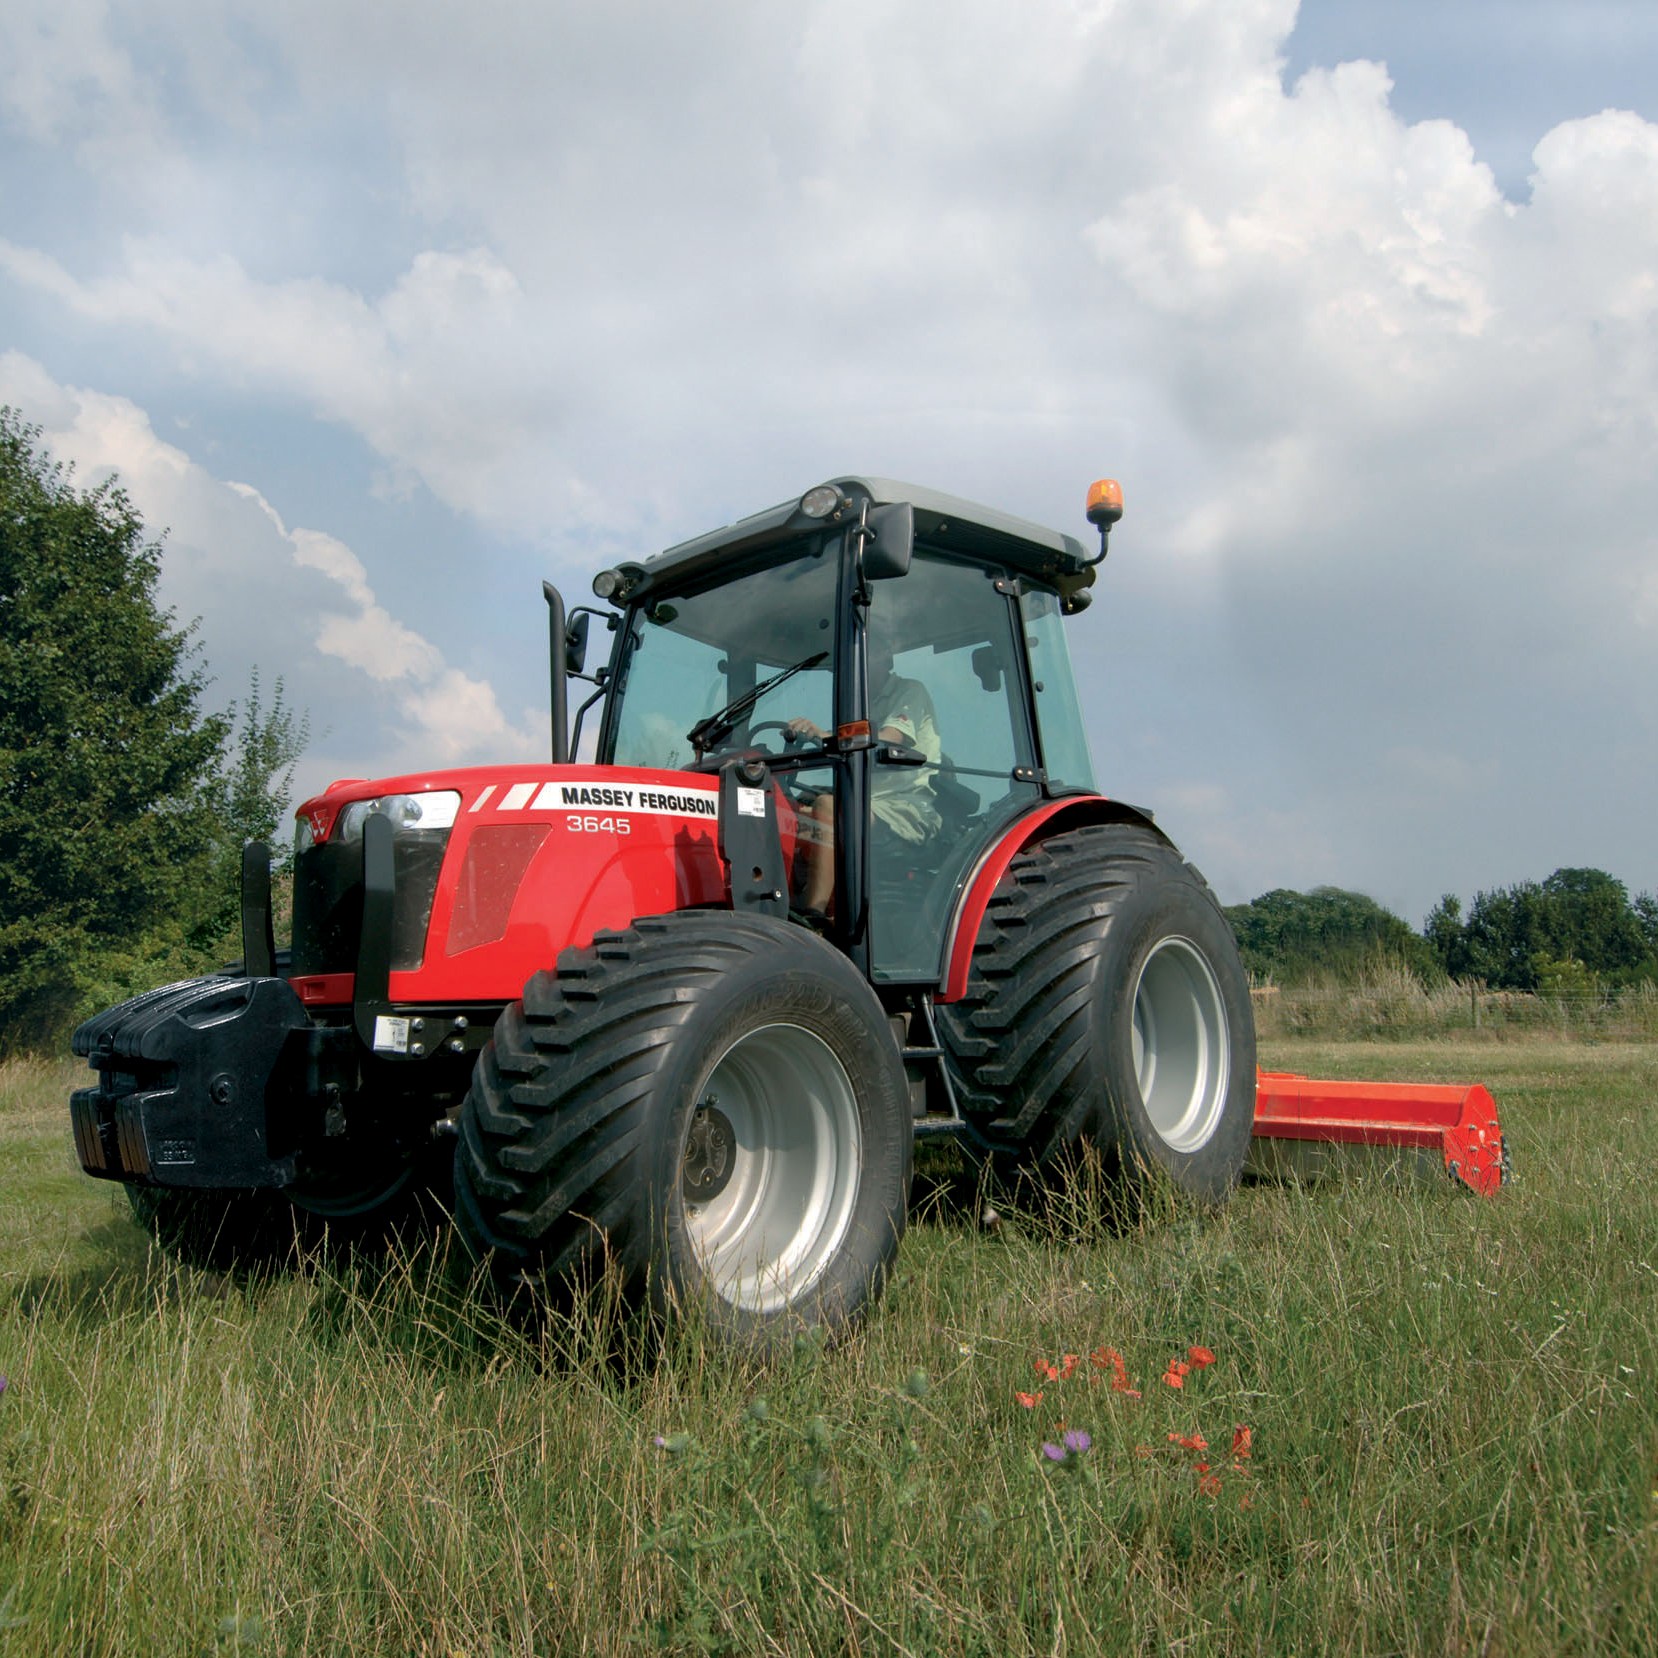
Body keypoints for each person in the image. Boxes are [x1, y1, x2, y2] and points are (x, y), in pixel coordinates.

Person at [786, 633, 941, 918]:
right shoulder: (860, 705)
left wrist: (824, 735)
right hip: (863, 801)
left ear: (885, 659)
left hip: (904, 805)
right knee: (792, 814)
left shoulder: (909, 692)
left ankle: (814, 916)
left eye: (865, 658)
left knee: (827, 807)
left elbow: (891, 738)